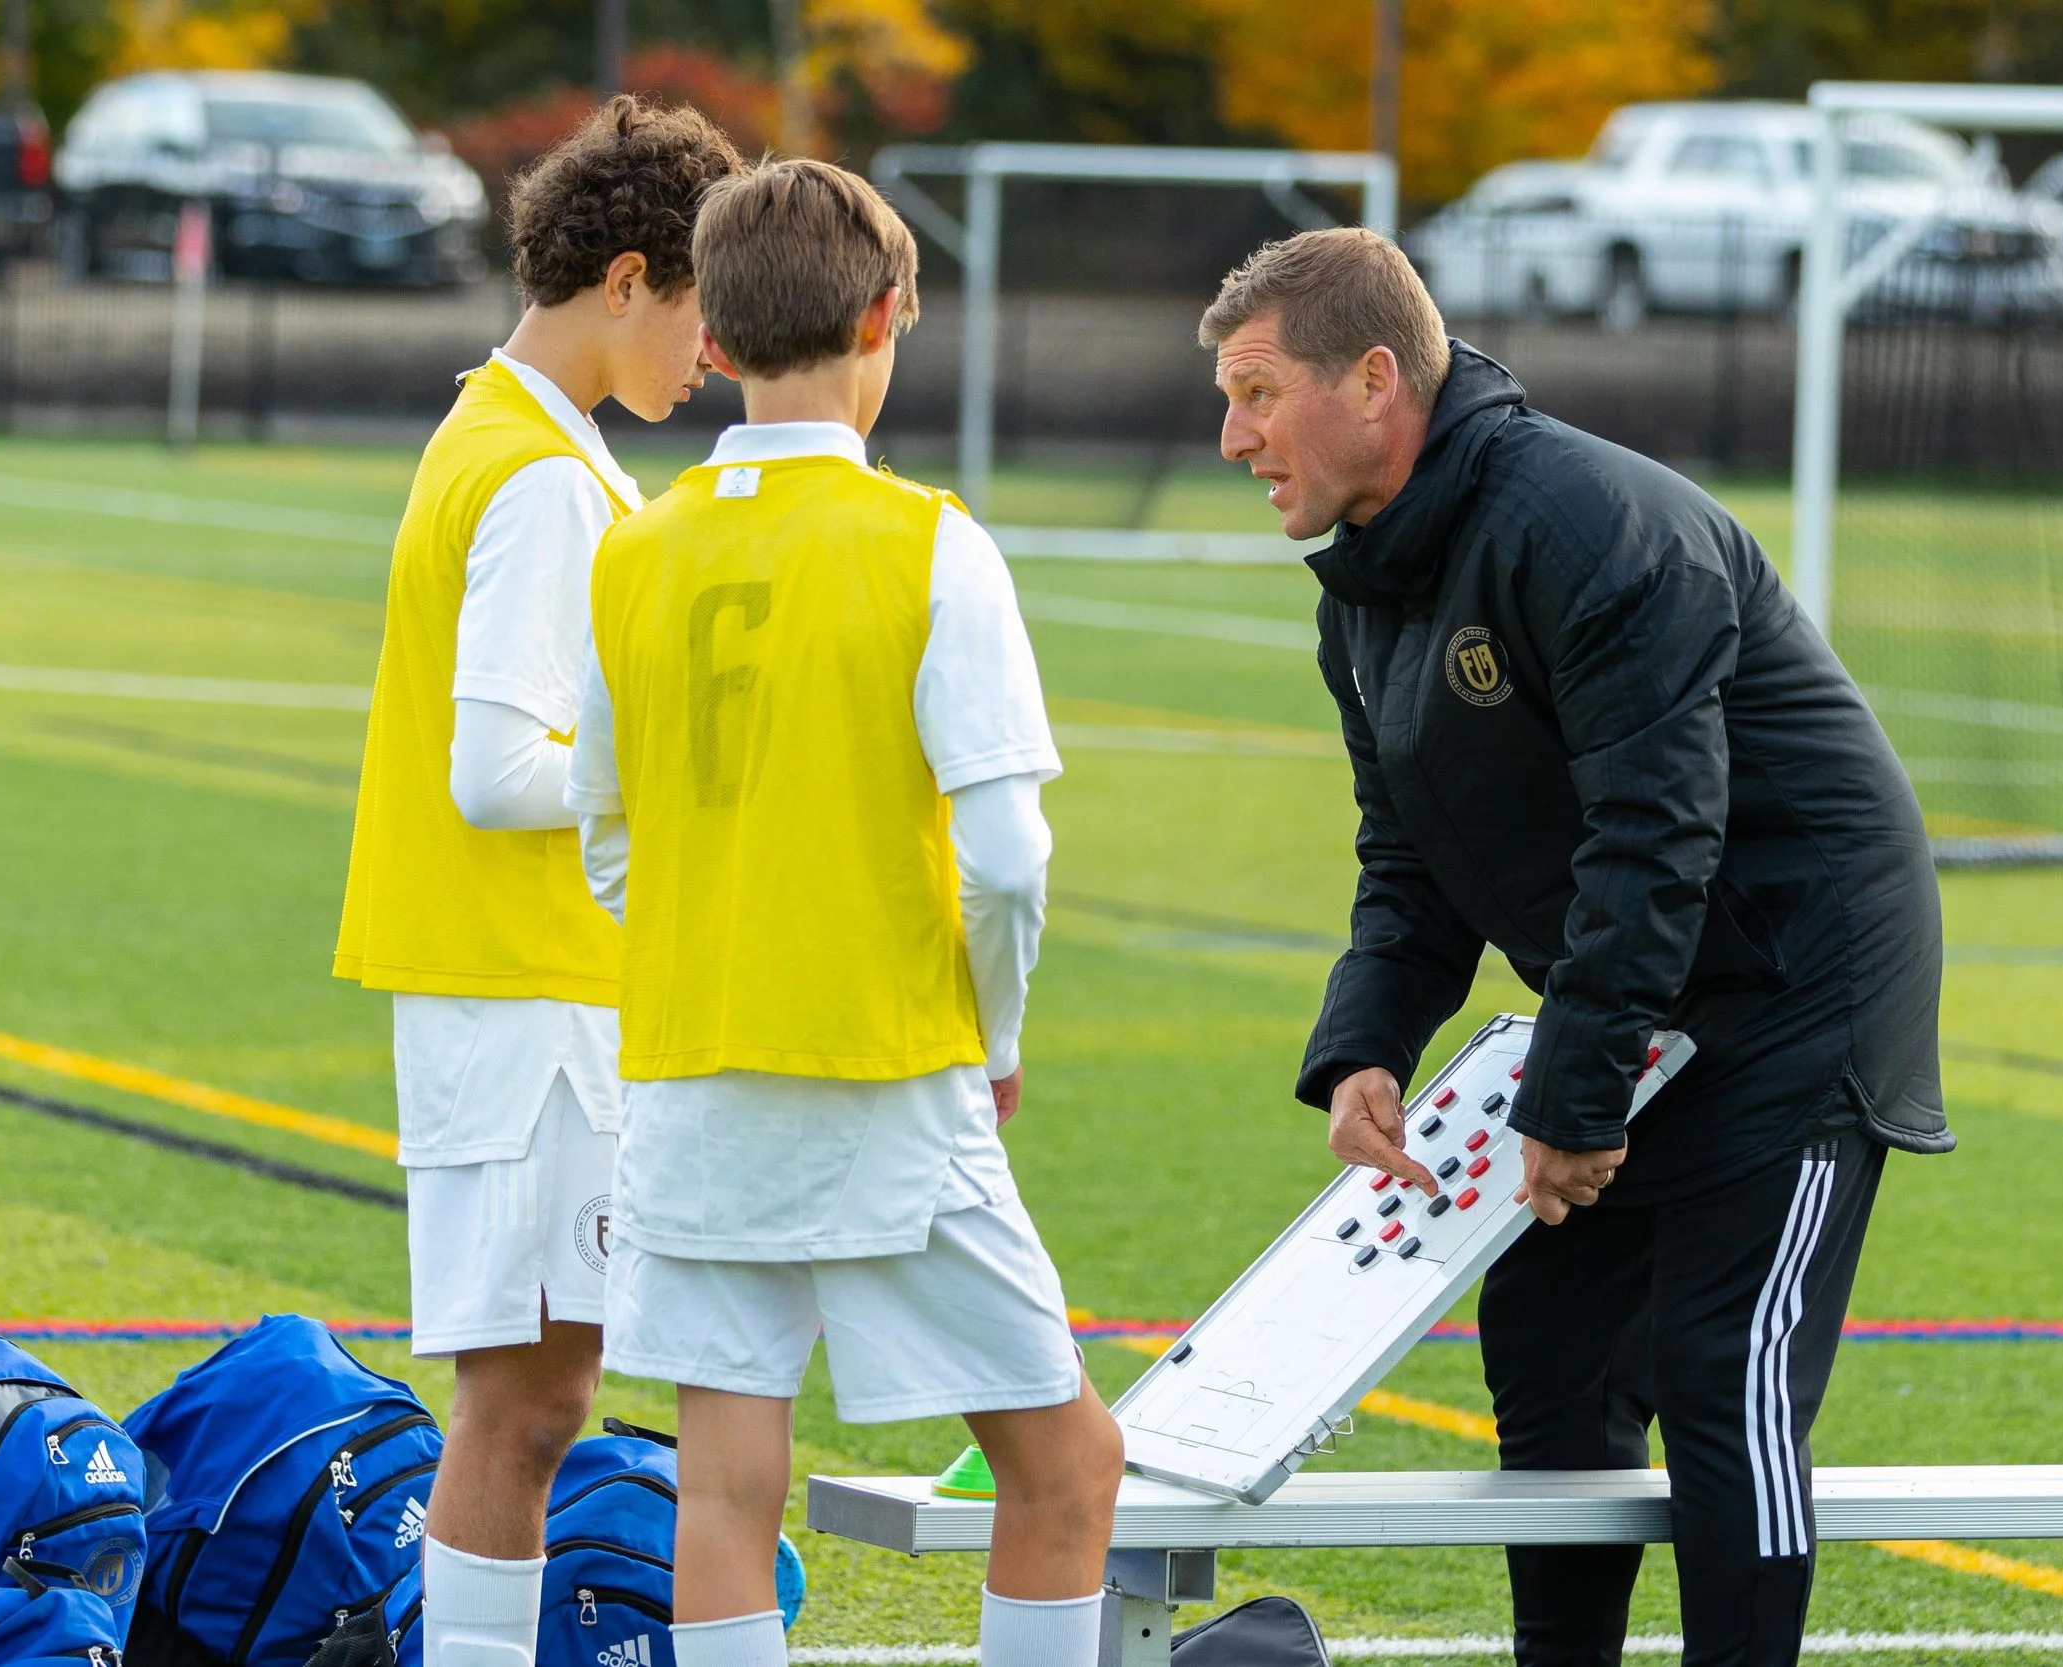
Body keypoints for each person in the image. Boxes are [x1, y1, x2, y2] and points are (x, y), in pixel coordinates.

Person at [1202, 228, 1950, 1666]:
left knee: (1720, 1375)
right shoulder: (1362, 594)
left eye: (1254, 393)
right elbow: (1412, 858)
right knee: (1547, 1331)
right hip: (1650, 998)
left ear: (1373, 380)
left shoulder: (1592, 525)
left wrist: (1577, 1097)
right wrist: (1366, 1043)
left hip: (1802, 994)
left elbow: (1657, 836)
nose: (1233, 438)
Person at [566, 158, 1124, 1667]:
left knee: (727, 1484)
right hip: (887, 1072)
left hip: (689, 1068)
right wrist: (992, 1029)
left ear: (724, 342)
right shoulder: (933, 544)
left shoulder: (632, 548)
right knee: (1068, 1466)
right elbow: (1009, 858)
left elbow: (605, 837)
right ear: (889, 314)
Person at [332, 98, 744, 1667]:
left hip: (512, 988)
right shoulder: (544, 477)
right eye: (703, 309)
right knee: (527, 1402)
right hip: (523, 997)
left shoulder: (504, 432)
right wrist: (699, 799)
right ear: (632, 277)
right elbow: (498, 768)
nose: (714, 351)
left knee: (530, 1395)